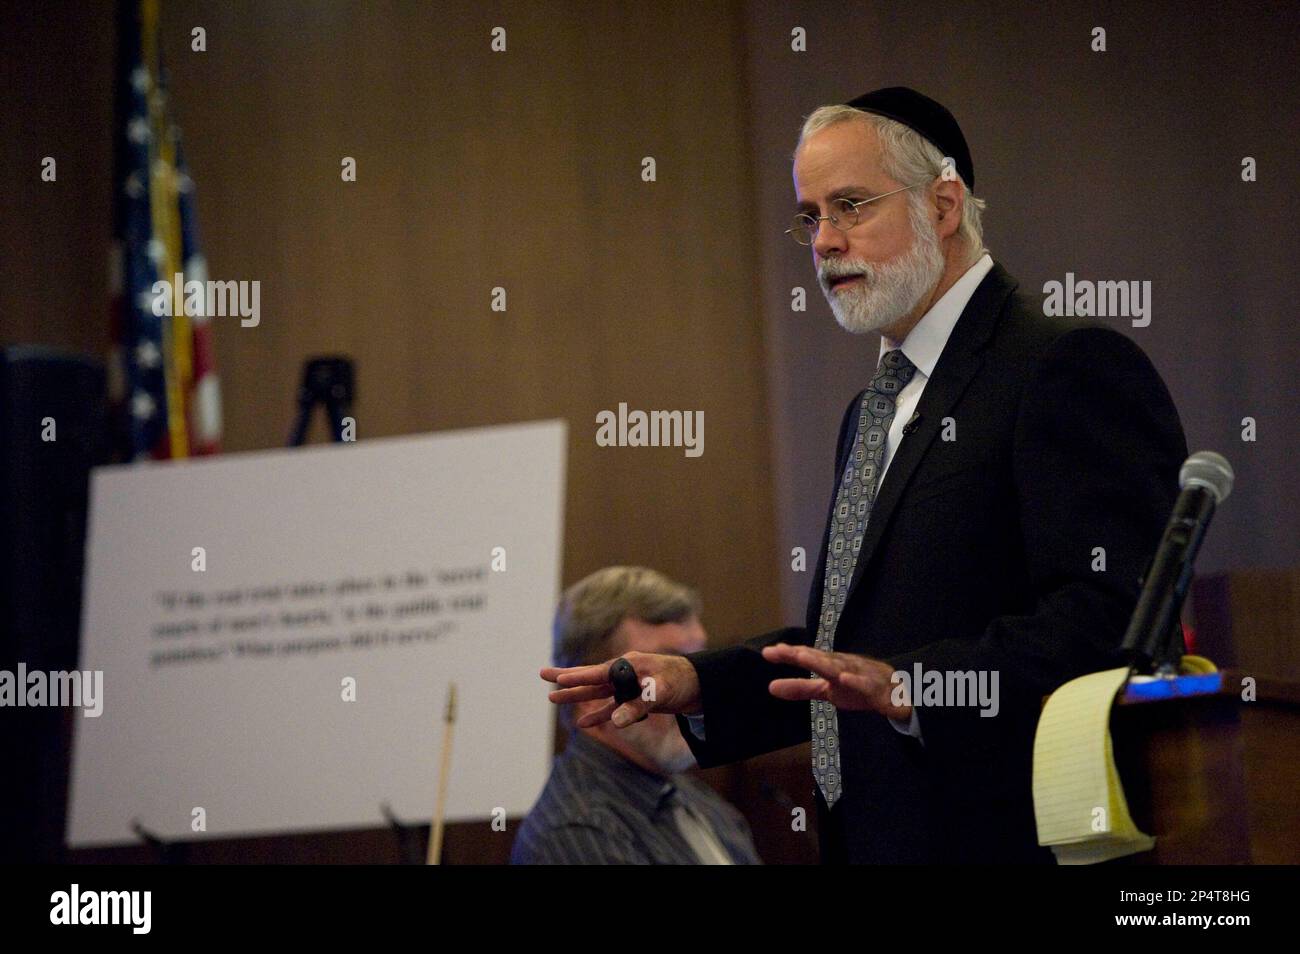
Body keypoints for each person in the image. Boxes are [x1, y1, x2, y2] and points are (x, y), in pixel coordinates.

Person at [542, 87, 1187, 863]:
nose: (823, 241)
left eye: (849, 206)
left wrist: (912, 687)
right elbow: (844, 659)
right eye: (810, 216)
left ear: (943, 204)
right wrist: (698, 682)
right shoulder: (872, 408)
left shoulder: (1063, 366)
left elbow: (1116, 620)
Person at [513, 566, 761, 864]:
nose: (693, 696)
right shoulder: (577, 831)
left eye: (699, 670)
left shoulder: (695, 797)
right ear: (591, 691)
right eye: (666, 672)